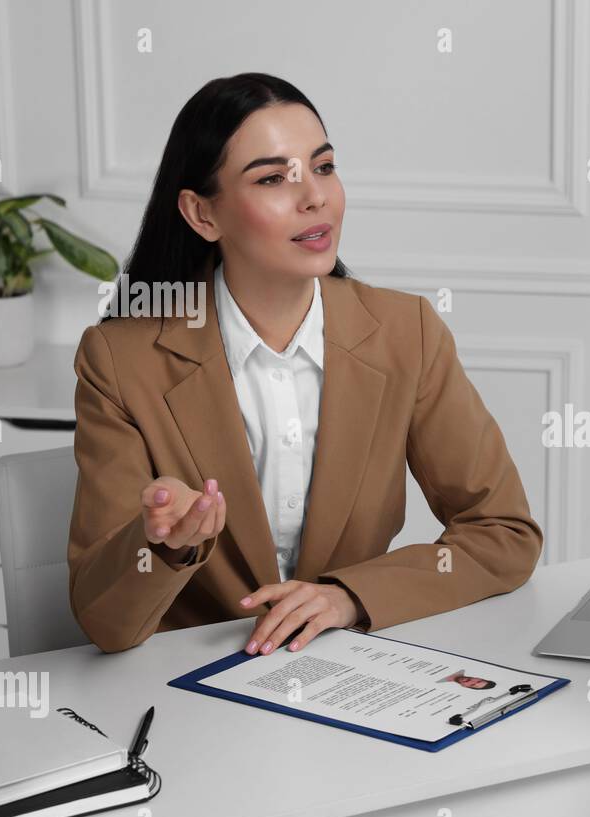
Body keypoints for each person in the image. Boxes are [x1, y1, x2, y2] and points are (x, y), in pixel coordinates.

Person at [68, 73, 543, 655]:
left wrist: (351, 596)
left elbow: (504, 533)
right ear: (201, 214)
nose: (315, 197)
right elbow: (104, 624)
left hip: (349, 676)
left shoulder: (407, 333)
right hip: (189, 696)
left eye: (323, 167)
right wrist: (164, 543)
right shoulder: (119, 360)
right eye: (272, 178)